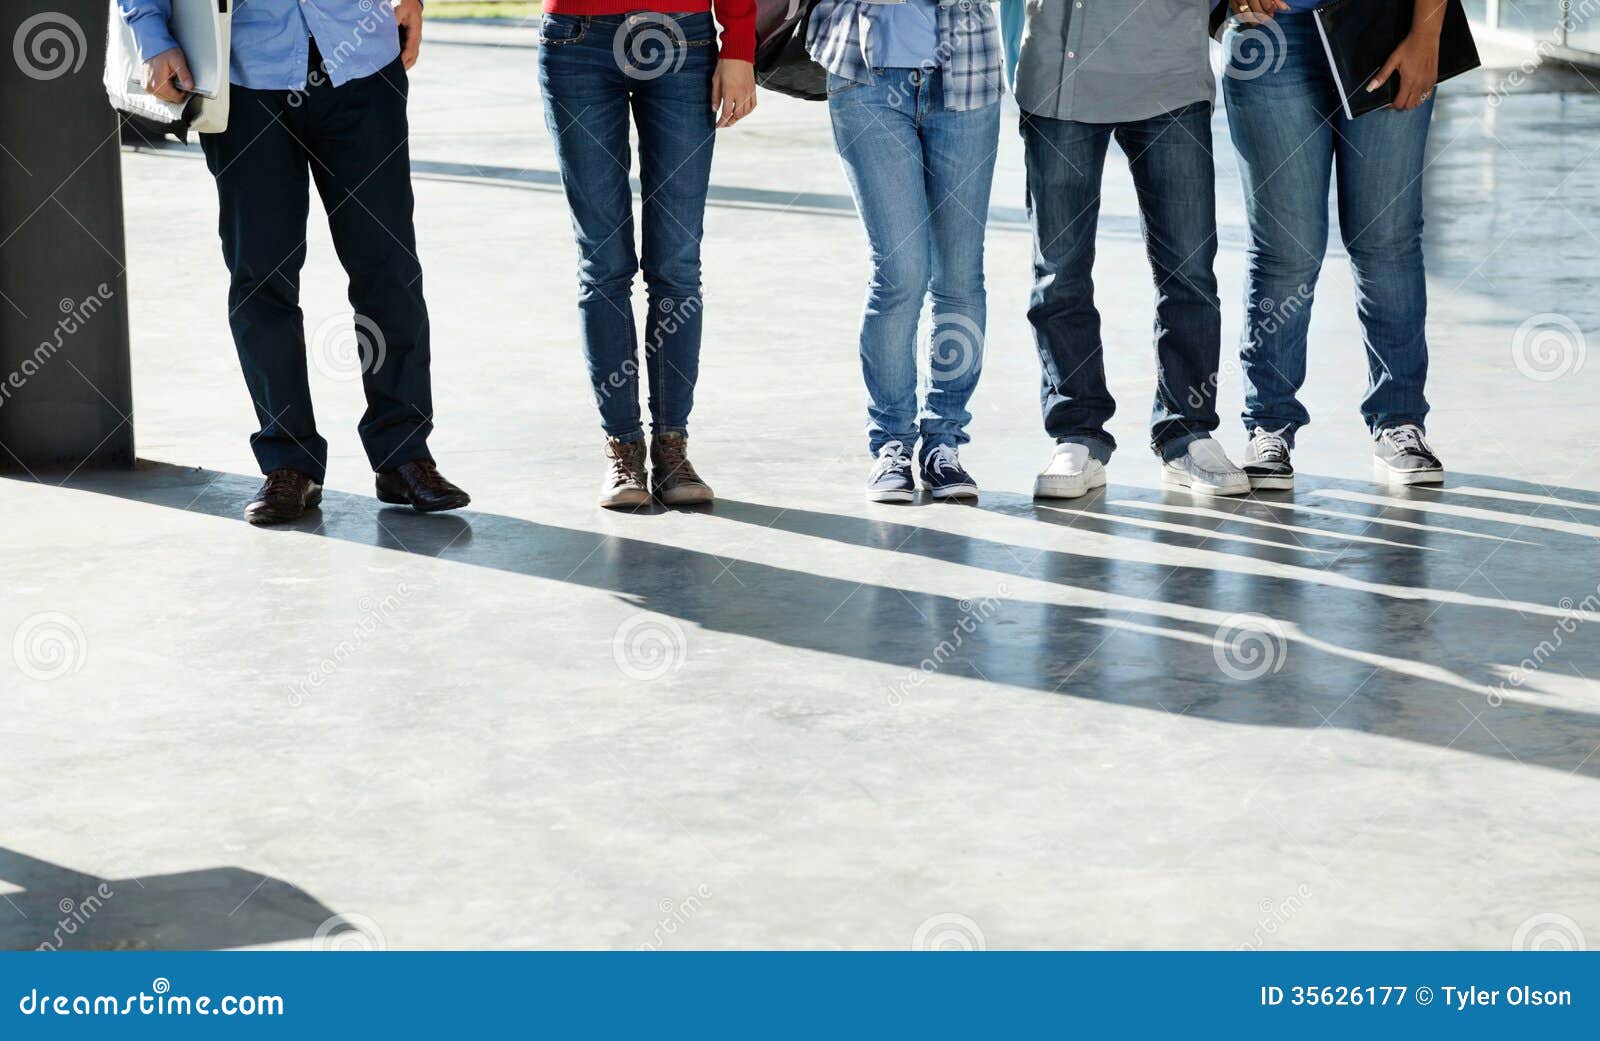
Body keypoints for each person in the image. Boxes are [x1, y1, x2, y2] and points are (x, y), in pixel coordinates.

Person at [116, 0, 471, 525]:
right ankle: (289, 462)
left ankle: (404, 454)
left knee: (388, 268)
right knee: (262, 277)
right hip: (241, 75)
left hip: (361, 63)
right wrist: (150, 33)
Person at [1005, 0, 1249, 500]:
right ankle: (1078, 433)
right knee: (1060, 272)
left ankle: (1186, 432)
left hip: (1172, 77)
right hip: (1059, 77)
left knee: (1189, 272)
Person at [538, 0, 758, 509]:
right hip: (578, 41)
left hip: (684, 38)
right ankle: (623, 449)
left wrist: (740, 43)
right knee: (603, 263)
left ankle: (672, 447)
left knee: (677, 264)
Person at [1225, 0, 1447, 488]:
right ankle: (1269, 424)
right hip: (1269, 35)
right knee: (1285, 250)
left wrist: (1427, 33)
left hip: (1385, 30)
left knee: (1386, 241)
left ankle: (1399, 421)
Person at [808, 0, 1004, 503]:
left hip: (967, 73)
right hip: (866, 79)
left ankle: (945, 443)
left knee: (959, 277)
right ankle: (892, 441)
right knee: (900, 273)